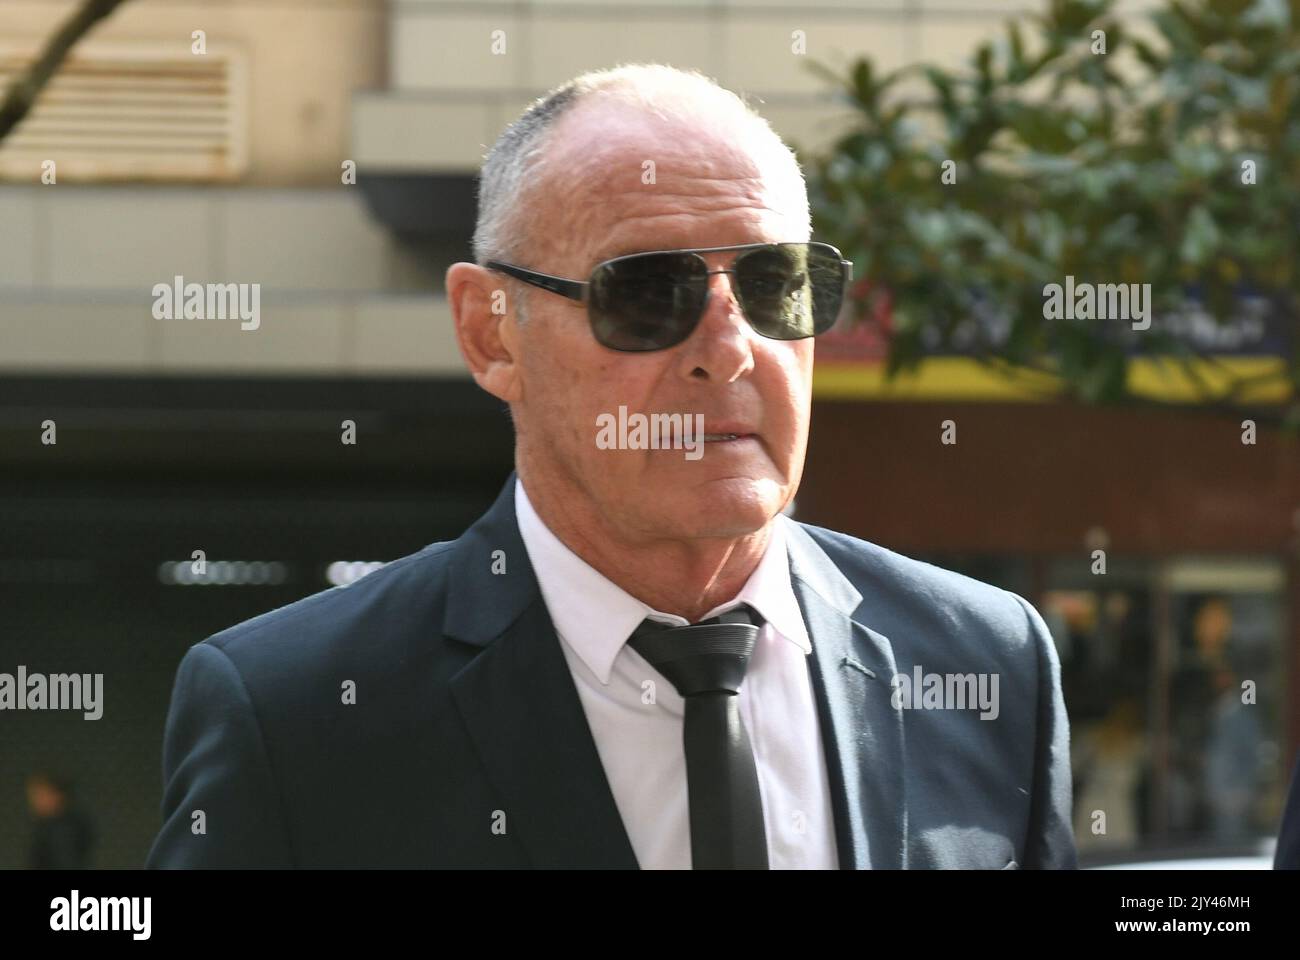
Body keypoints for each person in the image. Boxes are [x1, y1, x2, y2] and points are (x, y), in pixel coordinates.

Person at [147, 63, 1076, 870]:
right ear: (489, 331)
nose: (732, 349)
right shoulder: (295, 711)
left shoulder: (987, 663)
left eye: (773, 284)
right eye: (649, 293)